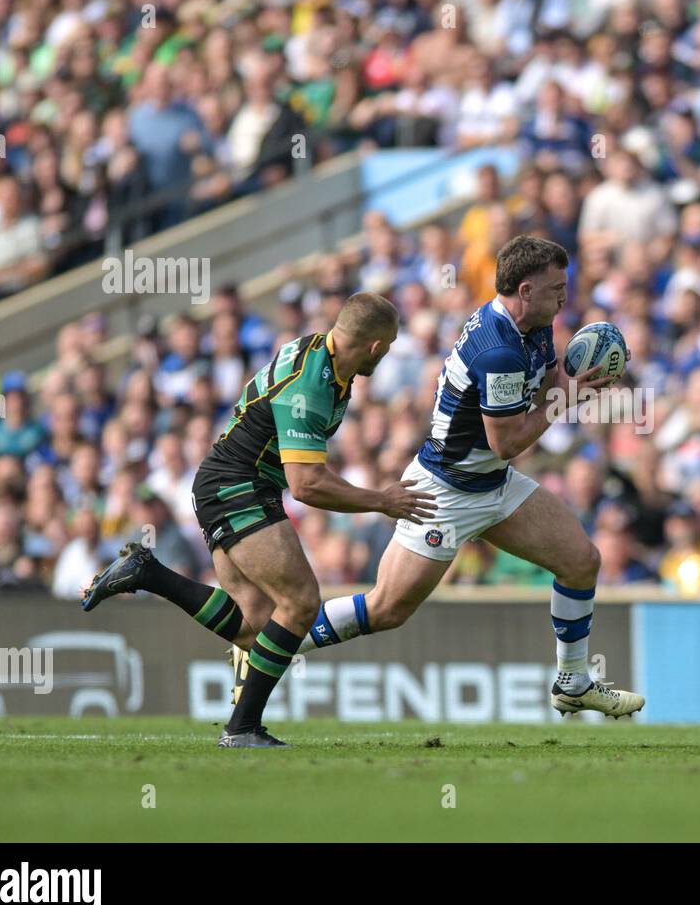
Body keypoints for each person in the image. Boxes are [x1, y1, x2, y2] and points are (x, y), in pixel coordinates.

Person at [282, 235, 645, 719]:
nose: (565, 296)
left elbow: (543, 390)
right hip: (444, 491)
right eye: (557, 287)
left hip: (491, 481)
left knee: (581, 561)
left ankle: (573, 682)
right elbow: (508, 441)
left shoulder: (534, 322)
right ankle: (271, 645)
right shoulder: (498, 350)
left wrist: (582, 377)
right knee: (388, 608)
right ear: (524, 289)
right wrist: (567, 399)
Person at [81, 292, 435, 747]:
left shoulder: (320, 352)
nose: (384, 358)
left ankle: (148, 573)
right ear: (375, 347)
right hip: (237, 486)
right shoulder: (311, 384)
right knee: (302, 601)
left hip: (230, 482)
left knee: (253, 624)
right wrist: (381, 500)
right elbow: (307, 485)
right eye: (386, 349)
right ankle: (242, 728)